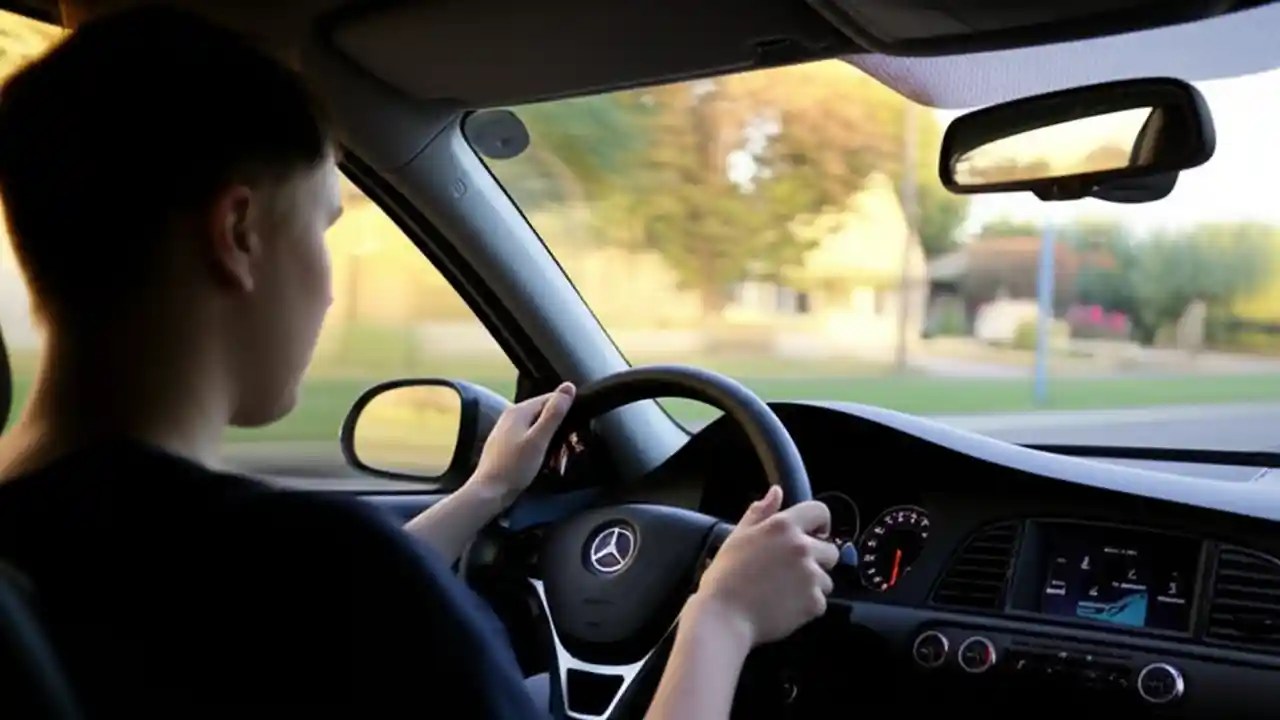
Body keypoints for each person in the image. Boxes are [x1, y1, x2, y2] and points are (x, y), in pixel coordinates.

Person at [0, 5, 838, 719]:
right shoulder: (327, 574)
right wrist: (722, 619)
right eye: (322, 228)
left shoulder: (52, 552)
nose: (329, 289)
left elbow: (318, 603)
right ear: (240, 234)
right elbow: (335, 591)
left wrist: (485, 492)